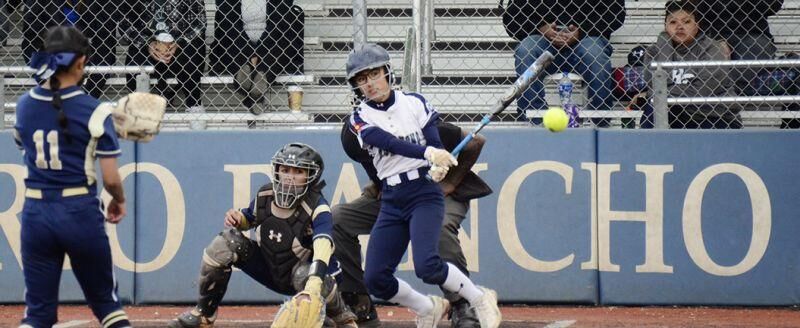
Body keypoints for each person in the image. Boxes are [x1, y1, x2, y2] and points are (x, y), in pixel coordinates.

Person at [345, 42, 502, 328]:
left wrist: (440, 163)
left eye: (375, 74)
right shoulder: (359, 118)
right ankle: (427, 307)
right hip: (393, 199)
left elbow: (435, 142)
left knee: (428, 266)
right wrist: (427, 154)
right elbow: (386, 142)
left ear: (387, 72)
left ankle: (479, 299)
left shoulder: (415, 102)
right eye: (362, 79)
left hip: (423, 194)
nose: (370, 83)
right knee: (376, 279)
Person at [13, 26, 131, 328]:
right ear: (81, 63)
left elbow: (22, 140)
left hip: (36, 214)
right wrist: (118, 200)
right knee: (107, 305)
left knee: (37, 314)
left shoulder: (24, 105)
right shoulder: (95, 110)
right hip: (79, 211)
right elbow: (111, 179)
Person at [168, 143, 357, 328]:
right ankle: (204, 315)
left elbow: (324, 244)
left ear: (311, 176)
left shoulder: (318, 206)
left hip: (313, 279)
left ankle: (343, 319)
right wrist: (238, 219)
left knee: (306, 275)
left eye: (298, 172)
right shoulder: (265, 194)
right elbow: (248, 219)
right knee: (226, 243)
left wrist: (314, 283)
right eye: (285, 170)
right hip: (272, 268)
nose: (290, 177)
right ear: (277, 171)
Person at [335, 119, 493, 327]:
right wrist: (378, 184)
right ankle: (358, 302)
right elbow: (377, 169)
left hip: (439, 193)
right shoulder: (352, 138)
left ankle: (463, 304)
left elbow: (475, 142)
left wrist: (450, 182)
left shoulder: (413, 123)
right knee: (338, 219)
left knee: (441, 229)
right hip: (397, 196)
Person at [510, 0, 625, 127]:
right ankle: (535, 118)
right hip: (543, 41)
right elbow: (511, 19)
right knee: (526, 50)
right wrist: (540, 27)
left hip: (586, 38)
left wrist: (582, 30)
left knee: (594, 53)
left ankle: (600, 119)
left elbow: (617, 13)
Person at [639, 0, 739, 129]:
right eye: (673, 22)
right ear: (665, 26)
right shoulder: (654, 51)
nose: (679, 26)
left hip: (713, 115)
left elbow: (702, 90)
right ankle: (648, 147)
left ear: (697, 25)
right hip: (676, 112)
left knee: (658, 101)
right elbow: (653, 84)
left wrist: (661, 92)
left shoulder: (713, 49)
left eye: (686, 22)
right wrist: (664, 43)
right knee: (654, 108)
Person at [121, 0, 206, 115]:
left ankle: (194, 104)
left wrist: (179, 42)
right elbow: (124, 24)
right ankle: (138, 106)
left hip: (179, 45)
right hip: (147, 45)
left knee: (193, 48)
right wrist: (149, 43)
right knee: (134, 58)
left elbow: (200, 23)